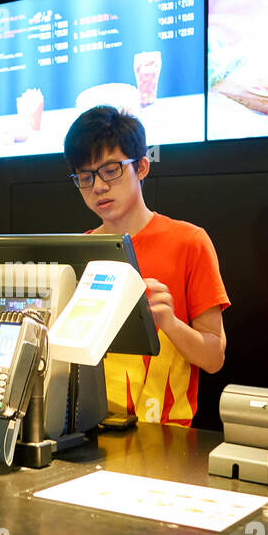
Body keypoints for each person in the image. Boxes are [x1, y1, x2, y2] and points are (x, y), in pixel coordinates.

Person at [64, 105, 230, 427]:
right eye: (85, 177)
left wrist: (168, 322)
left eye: (111, 170)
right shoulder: (79, 251)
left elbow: (214, 358)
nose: (98, 186)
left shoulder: (190, 242)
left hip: (167, 443)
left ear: (141, 166)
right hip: (87, 436)